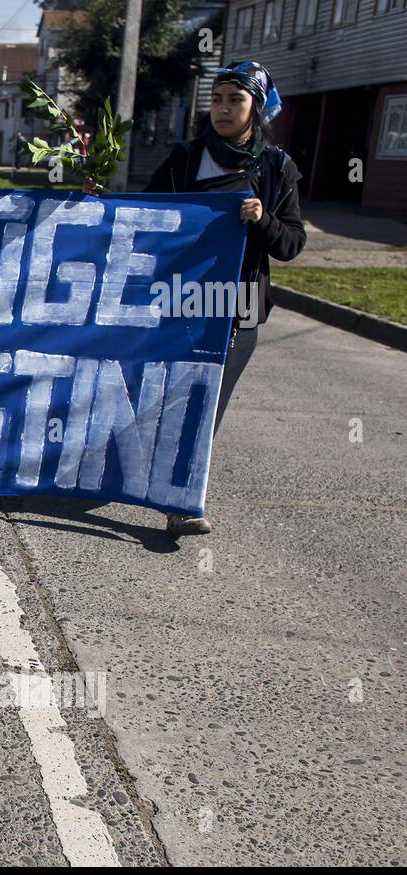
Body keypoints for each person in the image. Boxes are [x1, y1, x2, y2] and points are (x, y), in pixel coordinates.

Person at [142, 61, 306, 537]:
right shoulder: (185, 159)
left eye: (236, 99)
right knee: (168, 398)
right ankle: (136, 474)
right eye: (217, 99)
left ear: (257, 106)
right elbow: (145, 215)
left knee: (207, 403)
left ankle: (182, 502)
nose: (223, 109)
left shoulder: (276, 168)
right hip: (183, 302)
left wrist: (263, 219)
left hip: (240, 307)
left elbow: (292, 243)